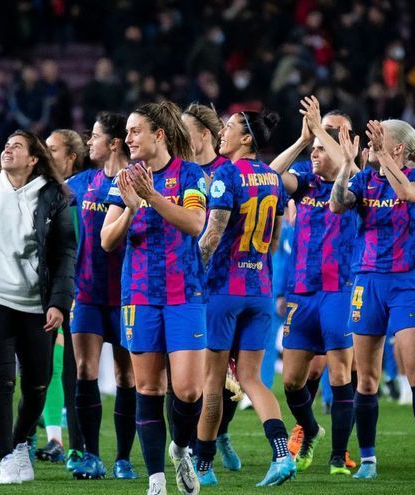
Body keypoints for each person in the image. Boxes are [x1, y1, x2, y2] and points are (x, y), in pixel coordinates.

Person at [327, 100, 415, 481]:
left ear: (397, 148)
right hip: (366, 282)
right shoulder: (364, 179)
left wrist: (383, 157)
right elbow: (336, 205)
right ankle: (367, 460)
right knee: (366, 379)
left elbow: (412, 195)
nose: (369, 144)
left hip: (408, 283)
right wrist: (347, 163)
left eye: (379, 140)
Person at [0, 130, 76, 485]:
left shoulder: (55, 195)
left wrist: (59, 303)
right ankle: (6, 457)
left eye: (16, 147)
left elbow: (64, 254)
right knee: (3, 380)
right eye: (6, 145)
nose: (7, 150)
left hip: (36, 304)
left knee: (37, 384)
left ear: (34, 159)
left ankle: (22, 442)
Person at [101, 101, 207, 495]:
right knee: (147, 388)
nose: (127, 138)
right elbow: (107, 240)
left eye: (134, 131)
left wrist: (152, 198)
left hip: (185, 293)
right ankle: (156, 480)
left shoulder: (190, 174)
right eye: (127, 132)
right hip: (140, 294)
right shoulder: (124, 179)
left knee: (189, 390)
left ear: (158, 135)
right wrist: (130, 209)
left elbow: (196, 224)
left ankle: (181, 449)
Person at [195, 109, 296, 487]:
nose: (222, 132)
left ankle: (202, 467)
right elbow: (273, 237)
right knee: (253, 380)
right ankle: (282, 455)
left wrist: (192, 272)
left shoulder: (225, 175)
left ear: (247, 139)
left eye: (229, 128)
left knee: (212, 383)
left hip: (224, 289)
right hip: (260, 290)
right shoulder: (273, 178)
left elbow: (214, 233)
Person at [269, 99, 359, 476]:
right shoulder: (304, 179)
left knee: (340, 375)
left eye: (329, 141)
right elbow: (270, 176)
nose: (320, 150)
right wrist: (304, 139)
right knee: (292, 382)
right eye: (317, 146)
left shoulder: (360, 178)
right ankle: (312, 429)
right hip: (302, 292)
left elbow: (347, 167)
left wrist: (323, 129)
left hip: (339, 289)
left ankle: (339, 455)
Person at [64, 113, 138, 479]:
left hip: (127, 295)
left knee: (128, 377)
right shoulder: (79, 184)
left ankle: (123, 458)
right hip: (87, 294)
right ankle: (90, 455)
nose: (87, 142)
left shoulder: (139, 181)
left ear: (114, 143)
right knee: (85, 370)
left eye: (94, 136)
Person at [181, 102, 242, 470]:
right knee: (193, 377)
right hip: (186, 286)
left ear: (204, 134)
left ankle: (219, 433)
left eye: (185, 131)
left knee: (228, 379)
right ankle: (188, 448)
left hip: (225, 282)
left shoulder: (227, 171)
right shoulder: (180, 172)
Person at [38, 128, 88, 467]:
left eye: (53, 149)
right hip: (47, 287)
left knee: (66, 367)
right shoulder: (43, 190)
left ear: (70, 157)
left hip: (76, 289)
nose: (46, 153)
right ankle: (53, 437)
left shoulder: (81, 189)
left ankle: (68, 441)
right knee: (48, 366)